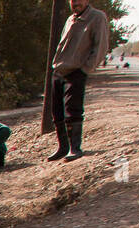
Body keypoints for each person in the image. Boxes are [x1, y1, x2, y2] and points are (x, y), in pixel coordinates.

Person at [49, 0, 110, 162]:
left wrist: (85, 70)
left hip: (76, 71)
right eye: (73, 0)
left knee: (72, 110)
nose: (76, 3)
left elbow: (101, 47)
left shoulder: (97, 17)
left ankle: (75, 148)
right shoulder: (71, 19)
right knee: (57, 111)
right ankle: (63, 148)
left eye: (79, 0)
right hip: (59, 71)